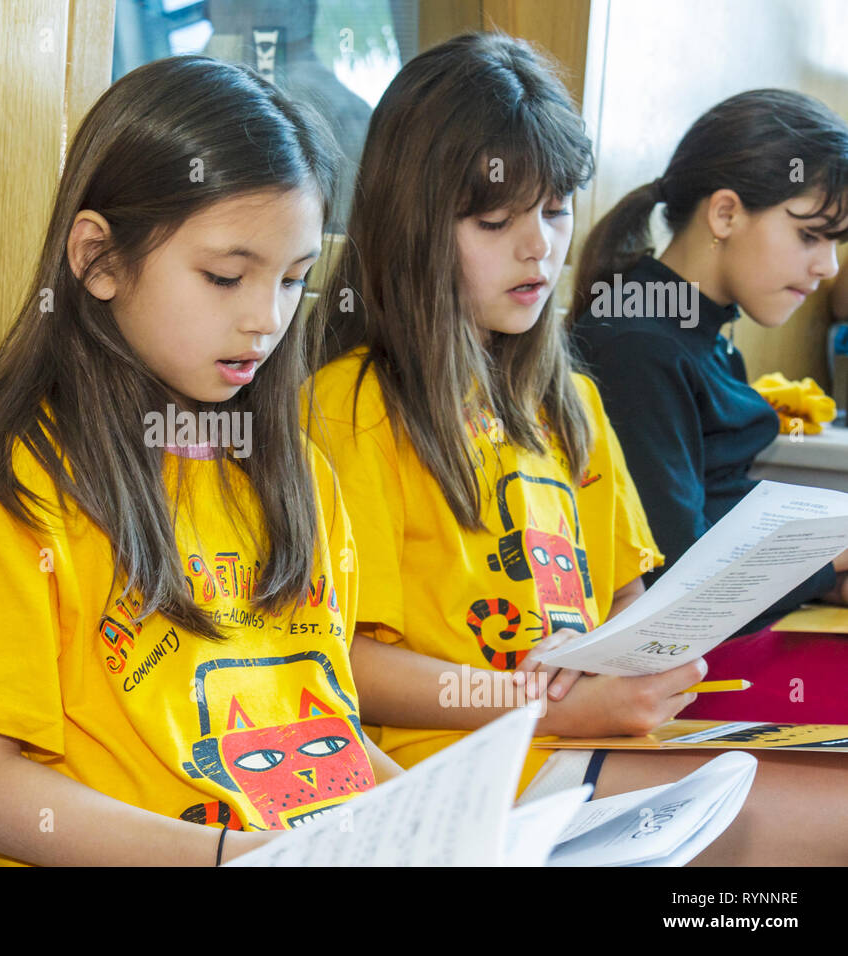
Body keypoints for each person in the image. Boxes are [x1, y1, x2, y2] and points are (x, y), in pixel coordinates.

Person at [308, 32, 848, 865]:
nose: (540, 247)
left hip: (584, 745)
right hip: (461, 768)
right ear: (411, 228)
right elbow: (343, 661)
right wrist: (548, 706)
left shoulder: (571, 401)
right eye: (496, 221)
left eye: (556, 210)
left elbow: (631, 599)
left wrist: (657, 664)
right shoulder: (352, 406)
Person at [0, 55, 402, 867]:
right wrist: (229, 857)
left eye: (295, 280)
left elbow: (329, 729)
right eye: (225, 277)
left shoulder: (297, 472)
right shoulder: (19, 485)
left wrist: (427, 818)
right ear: (98, 259)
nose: (265, 321)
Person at [571, 90, 848, 722]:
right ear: (724, 213)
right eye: (810, 234)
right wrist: (827, 556)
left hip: (727, 645)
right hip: (676, 673)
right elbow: (673, 591)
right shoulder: (636, 346)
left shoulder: (701, 337)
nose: (828, 266)